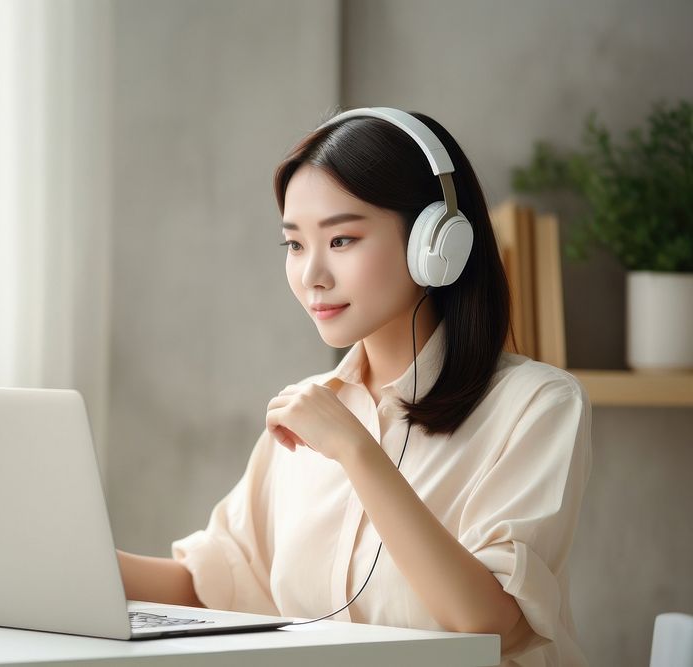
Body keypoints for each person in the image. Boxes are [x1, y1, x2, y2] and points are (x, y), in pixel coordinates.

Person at [116, 107, 592, 667]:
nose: (312, 273)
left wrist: (356, 450)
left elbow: (485, 623)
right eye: (295, 245)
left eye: (341, 240)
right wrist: (60, 555)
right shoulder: (311, 407)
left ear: (435, 244)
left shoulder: (536, 405)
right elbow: (211, 585)